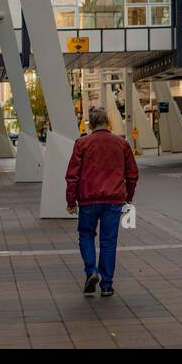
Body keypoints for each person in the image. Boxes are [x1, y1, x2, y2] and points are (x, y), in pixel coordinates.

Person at [65, 104, 138, 297]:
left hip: (88, 200)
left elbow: (72, 175)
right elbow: (132, 174)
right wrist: (128, 197)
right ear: (108, 122)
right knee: (108, 241)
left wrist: (71, 201)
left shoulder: (82, 144)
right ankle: (106, 285)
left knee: (86, 235)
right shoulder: (121, 144)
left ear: (91, 124)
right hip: (114, 200)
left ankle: (91, 271)